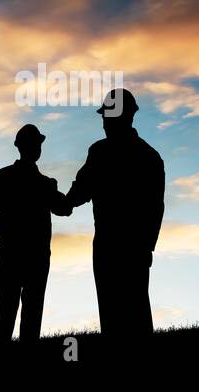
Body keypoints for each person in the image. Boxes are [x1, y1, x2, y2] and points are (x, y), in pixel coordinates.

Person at [62, 89, 165, 338]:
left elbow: (81, 191)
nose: (105, 121)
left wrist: (62, 203)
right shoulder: (150, 156)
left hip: (114, 244)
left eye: (107, 115)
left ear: (120, 116)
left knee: (114, 313)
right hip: (134, 246)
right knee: (135, 309)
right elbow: (156, 208)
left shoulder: (101, 152)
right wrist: (147, 246)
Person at [0, 124, 70, 343]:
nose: (36, 147)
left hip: (23, 256)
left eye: (38, 143)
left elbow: (63, 209)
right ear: (22, 146)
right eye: (34, 143)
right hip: (20, 256)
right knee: (16, 312)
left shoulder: (19, 179)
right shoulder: (35, 182)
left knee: (21, 312)